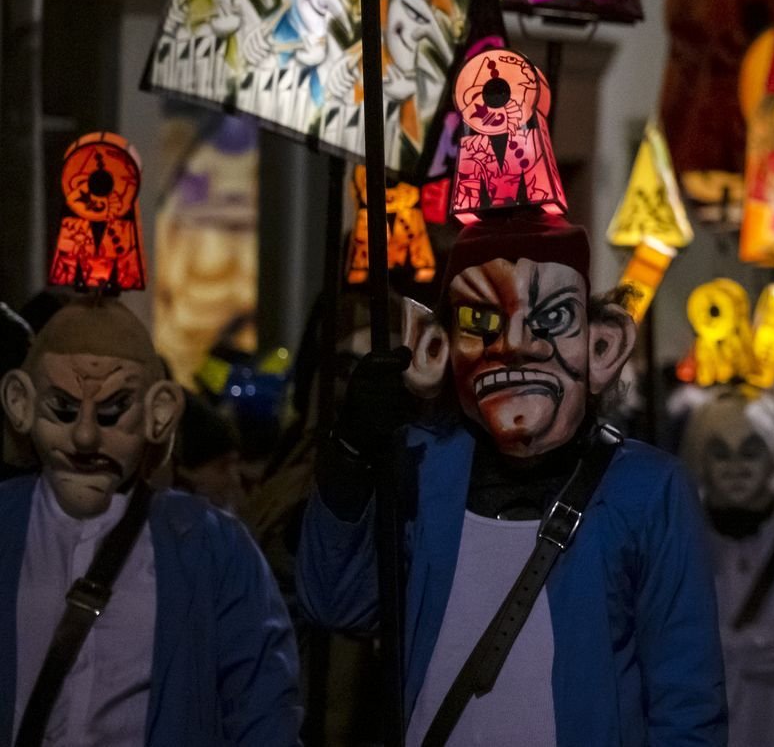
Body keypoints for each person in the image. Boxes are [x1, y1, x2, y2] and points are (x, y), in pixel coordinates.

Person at [300, 213, 727, 745]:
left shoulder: (648, 491)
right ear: (434, 346)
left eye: (553, 317)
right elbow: (336, 603)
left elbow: (687, 705)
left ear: (603, 347)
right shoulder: (420, 468)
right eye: (480, 320)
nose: (517, 343)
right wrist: (351, 453)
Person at [0, 298, 300, 744]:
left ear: (159, 414)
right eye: (63, 410)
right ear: (21, 403)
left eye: (111, 413)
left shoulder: (212, 547)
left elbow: (262, 711)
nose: (85, 436)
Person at [684, 390, 774, 747]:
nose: (736, 467)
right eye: (720, 453)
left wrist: (726, 647)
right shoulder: (683, 553)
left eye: (751, 451)